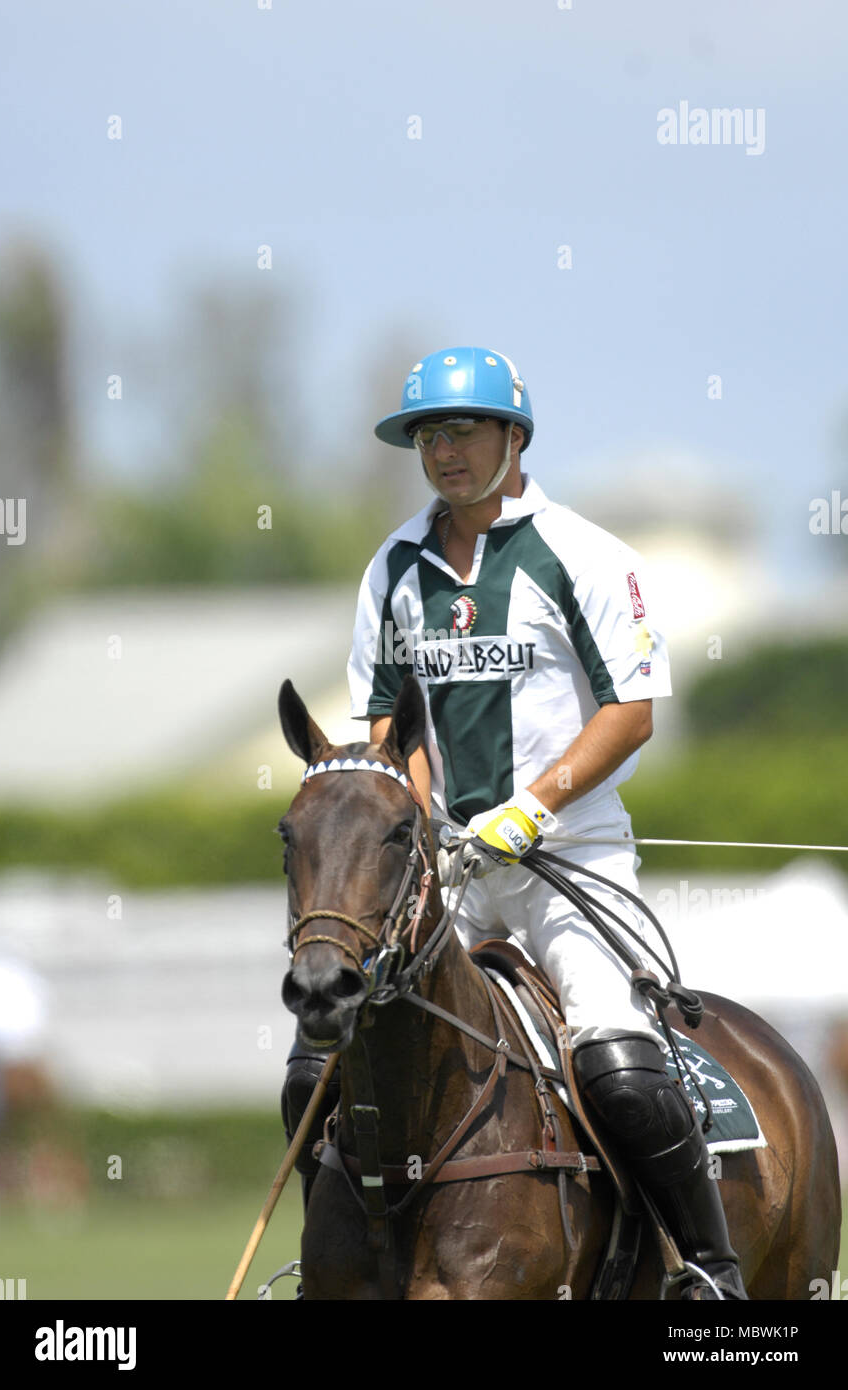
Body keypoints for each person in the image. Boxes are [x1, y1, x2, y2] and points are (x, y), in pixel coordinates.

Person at [286, 345, 747, 1301]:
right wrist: (420, 820)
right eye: (426, 435)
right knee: (316, 1063)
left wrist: (530, 809)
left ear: (513, 435)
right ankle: (341, 1250)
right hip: (438, 870)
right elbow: (385, 732)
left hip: (568, 855)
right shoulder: (396, 566)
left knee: (615, 1062)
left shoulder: (581, 554)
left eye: (461, 430)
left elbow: (631, 710)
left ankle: (707, 1271)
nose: (442, 451)